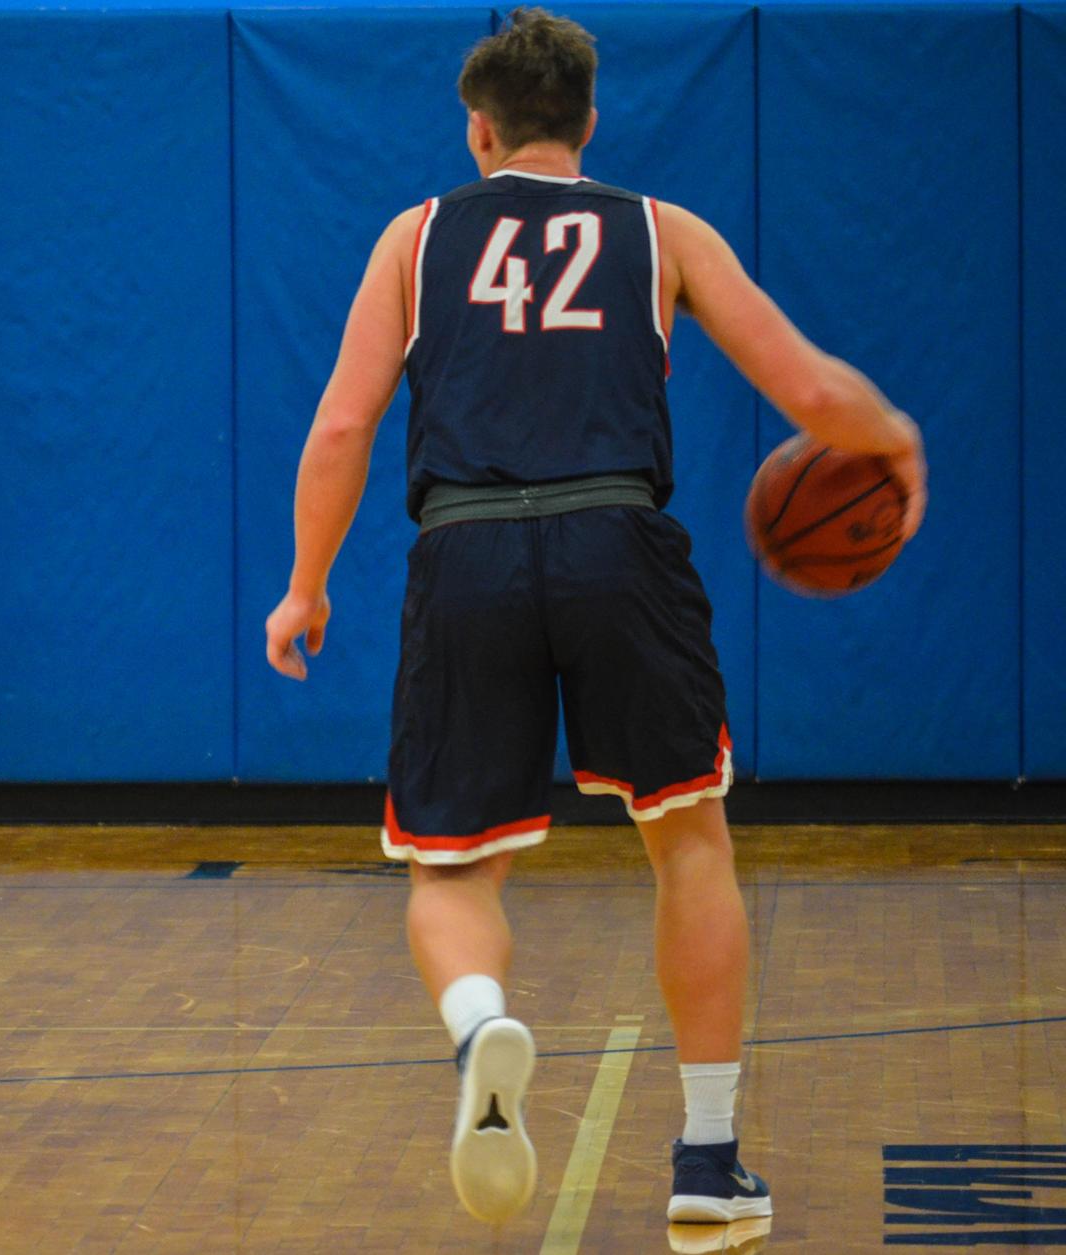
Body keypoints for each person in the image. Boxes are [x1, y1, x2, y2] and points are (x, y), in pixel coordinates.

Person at [263, 8, 926, 1229]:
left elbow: (342, 427)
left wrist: (304, 584)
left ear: (478, 129)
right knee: (687, 839)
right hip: (617, 538)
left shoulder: (412, 239)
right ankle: (708, 1161)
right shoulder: (657, 229)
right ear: (588, 123)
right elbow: (804, 387)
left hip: (461, 551)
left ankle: (481, 1028)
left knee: (452, 869)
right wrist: (890, 437)